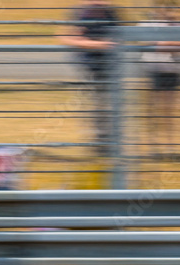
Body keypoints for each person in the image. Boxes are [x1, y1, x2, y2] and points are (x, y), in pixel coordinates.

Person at [58, 0, 122, 156]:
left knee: (109, 106)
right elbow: (66, 37)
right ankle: (98, 142)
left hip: (110, 65)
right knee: (96, 106)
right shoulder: (80, 12)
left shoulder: (111, 12)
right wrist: (98, 45)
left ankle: (107, 142)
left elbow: (122, 35)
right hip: (89, 65)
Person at [138, 2, 180, 159]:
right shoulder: (148, 24)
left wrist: (164, 43)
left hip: (172, 71)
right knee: (152, 110)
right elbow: (149, 44)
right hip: (153, 71)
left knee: (169, 112)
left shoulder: (178, 25)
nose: (169, 11)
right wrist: (169, 43)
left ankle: (170, 146)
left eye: (172, 8)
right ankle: (153, 146)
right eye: (165, 7)